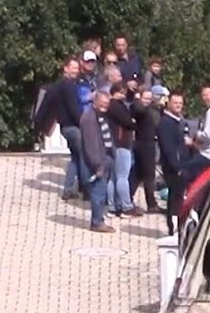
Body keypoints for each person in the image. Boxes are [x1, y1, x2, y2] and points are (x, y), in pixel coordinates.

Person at [32, 56, 87, 201]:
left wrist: (38, 125)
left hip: (65, 128)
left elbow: (45, 106)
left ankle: (68, 190)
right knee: (84, 157)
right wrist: (86, 124)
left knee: (75, 157)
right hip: (73, 127)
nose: (76, 71)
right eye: (73, 68)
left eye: (77, 68)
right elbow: (74, 110)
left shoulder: (56, 86)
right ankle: (87, 189)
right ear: (65, 68)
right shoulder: (68, 86)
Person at [102, 65, 142, 217]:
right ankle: (126, 206)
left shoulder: (112, 105)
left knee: (113, 177)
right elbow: (128, 122)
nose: (124, 95)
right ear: (114, 93)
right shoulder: (115, 105)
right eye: (121, 92)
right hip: (121, 143)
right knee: (122, 176)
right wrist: (133, 122)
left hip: (114, 143)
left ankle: (113, 207)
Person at [79, 91, 116, 233]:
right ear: (95, 102)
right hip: (98, 160)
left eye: (107, 104)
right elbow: (90, 144)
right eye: (103, 103)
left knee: (102, 191)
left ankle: (99, 218)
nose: (105, 106)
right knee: (98, 192)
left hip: (107, 156)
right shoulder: (89, 118)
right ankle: (97, 222)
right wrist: (97, 164)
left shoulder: (102, 116)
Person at [157, 90, 190, 234]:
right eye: (175, 103)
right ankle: (173, 228)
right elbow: (168, 148)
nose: (178, 106)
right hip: (173, 167)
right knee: (175, 198)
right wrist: (177, 167)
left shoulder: (178, 120)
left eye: (180, 103)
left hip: (180, 164)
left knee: (178, 196)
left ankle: (176, 226)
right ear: (168, 103)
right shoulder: (166, 122)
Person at [130, 87, 161, 214]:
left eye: (149, 98)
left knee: (139, 175)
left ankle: (128, 198)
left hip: (150, 143)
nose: (148, 101)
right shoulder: (138, 108)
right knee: (148, 175)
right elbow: (138, 109)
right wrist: (137, 99)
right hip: (143, 144)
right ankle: (151, 204)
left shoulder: (151, 109)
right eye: (145, 98)